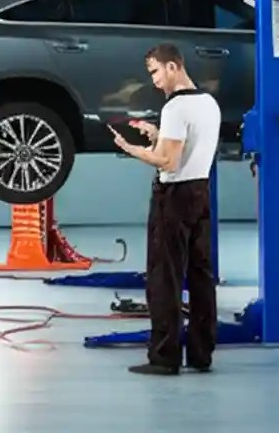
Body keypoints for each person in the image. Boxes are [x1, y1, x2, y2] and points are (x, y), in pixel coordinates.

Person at [108, 42, 221, 376]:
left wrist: (131, 148)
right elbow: (188, 148)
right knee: (201, 275)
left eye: (156, 71)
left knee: (165, 276)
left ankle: (164, 356)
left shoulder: (175, 108)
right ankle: (202, 354)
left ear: (173, 66)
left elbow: (168, 161)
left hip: (172, 198)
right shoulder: (208, 104)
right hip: (200, 192)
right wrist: (157, 133)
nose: (155, 80)